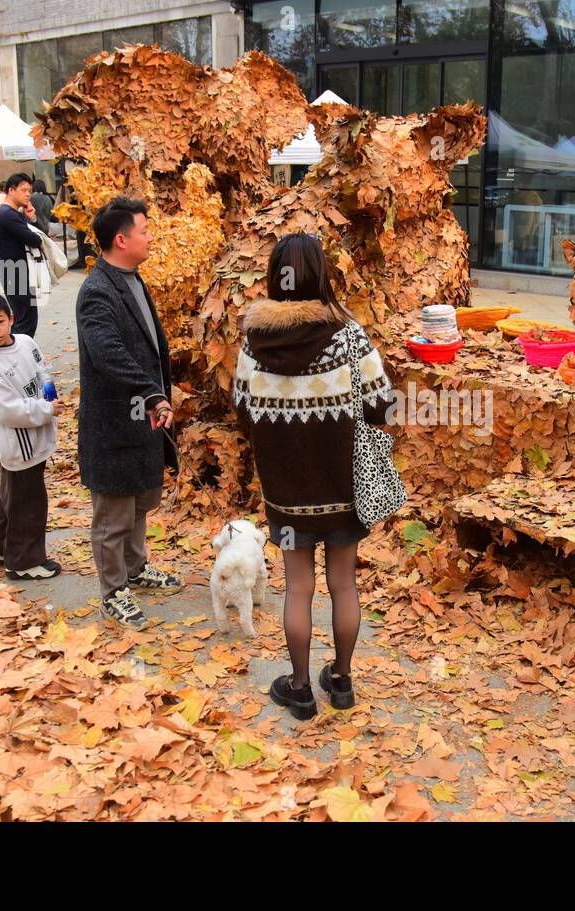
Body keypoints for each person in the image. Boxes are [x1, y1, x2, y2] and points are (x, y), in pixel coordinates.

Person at [232, 233, 394, 720]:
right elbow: (382, 402)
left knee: (298, 585)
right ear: (321, 274)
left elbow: (242, 412)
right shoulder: (348, 335)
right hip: (344, 484)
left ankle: (300, 687)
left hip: (286, 490)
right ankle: (341, 682)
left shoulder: (253, 342)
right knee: (343, 583)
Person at [76, 196, 179, 628]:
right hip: (116, 419)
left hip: (143, 418)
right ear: (121, 239)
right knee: (113, 513)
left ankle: (135, 567)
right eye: (143, 230)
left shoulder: (133, 279)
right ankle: (113, 588)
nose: (150, 235)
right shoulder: (96, 291)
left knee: (140, 500)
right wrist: (151, 391)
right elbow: (109, 353)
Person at [0, 293, 63, 580]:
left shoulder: (25, 342)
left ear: (11, 318)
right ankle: (23, 562)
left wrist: (50, 395)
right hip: (17, 441)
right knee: (29, 500)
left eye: (0, 321)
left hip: (36, 430)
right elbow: (8, 410)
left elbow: (41, 369)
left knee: (13, 492)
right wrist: (45, 409)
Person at [0, 173, 43, 337]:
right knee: (24, 320)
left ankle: (20, 355)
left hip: (16, 270)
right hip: (14, 271)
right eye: (24, 190)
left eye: (30, 190)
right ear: (11, 190)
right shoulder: (8, 214)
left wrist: (31, 218)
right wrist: (31, 223)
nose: (28, 194)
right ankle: (16, 356)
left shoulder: (14, 213)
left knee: (27, 317)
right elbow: (35, 239)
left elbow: (38, 235)